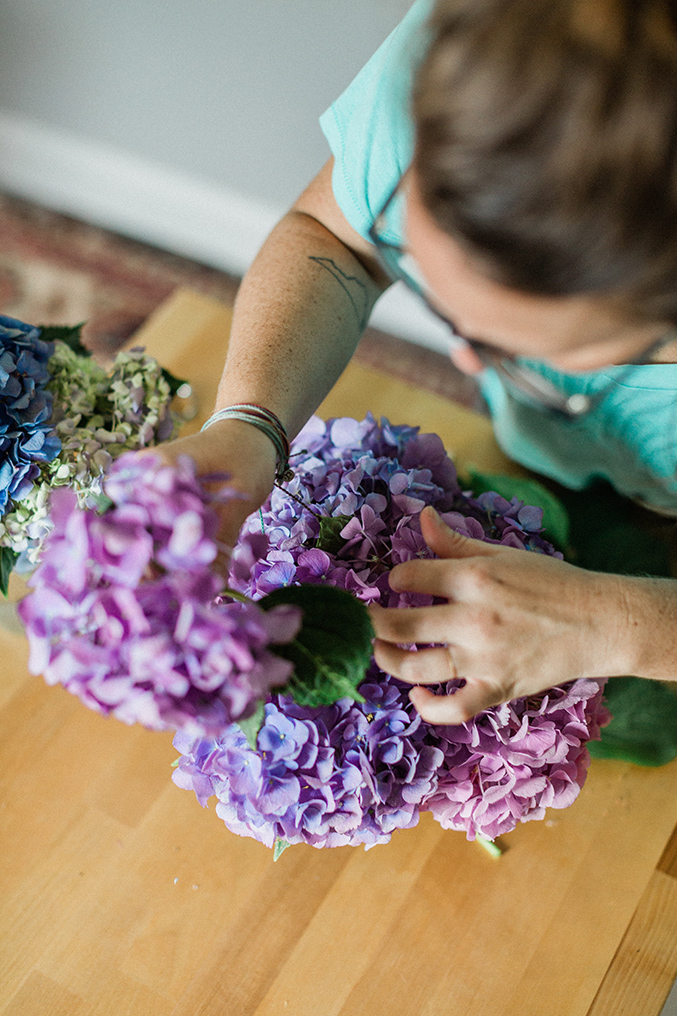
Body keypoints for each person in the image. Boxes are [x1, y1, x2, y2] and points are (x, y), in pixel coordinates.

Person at [154, 0, 677, 725]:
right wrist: (249, 423)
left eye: (511, 348)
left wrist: (620, 625)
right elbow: (333, 239)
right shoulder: (479, 67)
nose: (462, 357)